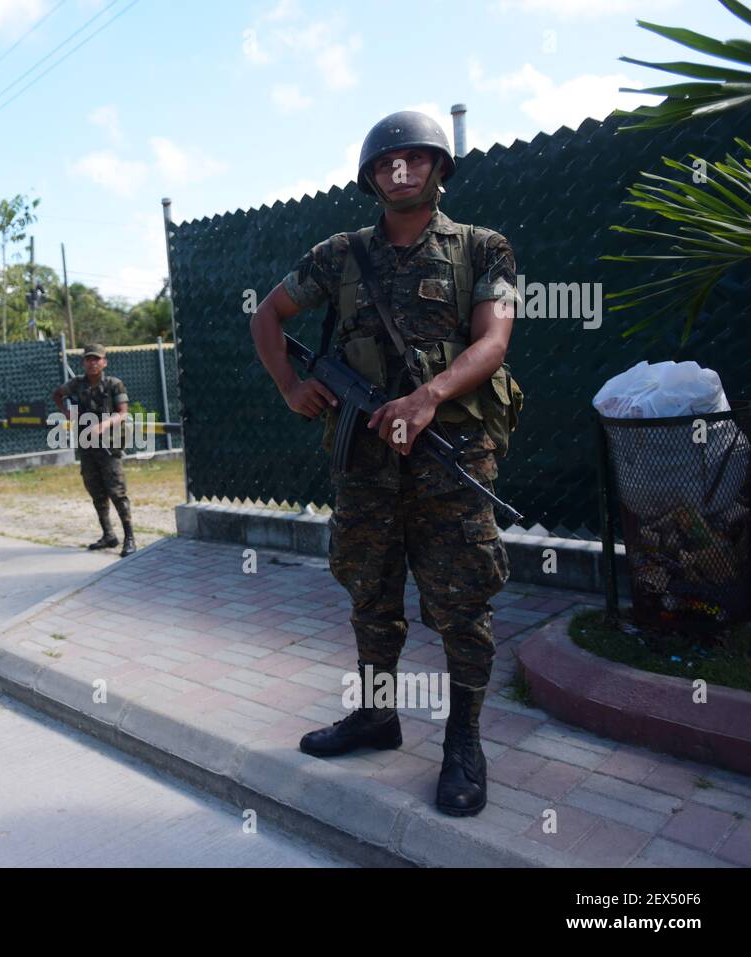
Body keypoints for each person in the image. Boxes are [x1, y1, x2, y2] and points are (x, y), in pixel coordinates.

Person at [249, 111, 521, 817]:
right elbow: (266, 316)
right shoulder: (338, 254)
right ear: (370, 176)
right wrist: (290, 386)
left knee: (463, 604)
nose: (399, 170)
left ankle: (463, 741)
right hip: (363, 459)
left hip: (450, 454)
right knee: (369, 594)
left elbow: (493, 343)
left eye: (414, 158)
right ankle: (377, 716)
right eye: (386, 162)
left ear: (438, 167)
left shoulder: (483, 248)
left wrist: (428, 396)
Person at [51, 344, 137, 557]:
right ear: (83, 363)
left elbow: (123, 413)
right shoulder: (76, 384)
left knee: (117, 492)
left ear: (104, 362)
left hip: (109, 445)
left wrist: (104, 425)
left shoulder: (113, 384)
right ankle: (108, 535)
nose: (92, 363)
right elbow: (57, 395)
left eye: (96, 359)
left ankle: (130, 538)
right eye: (88, 359)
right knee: (96, 491)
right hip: (87, 446)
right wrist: (68, 413)